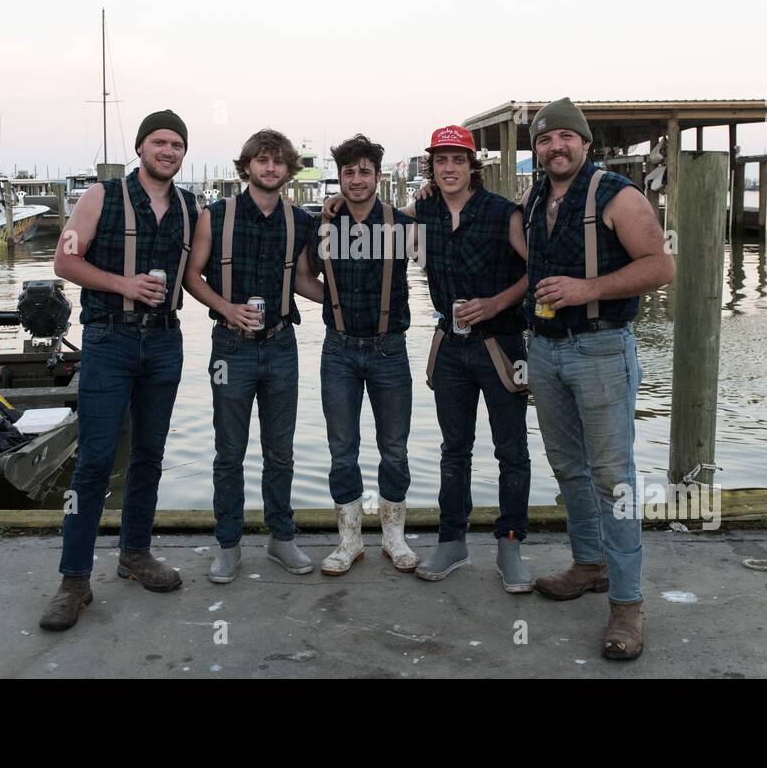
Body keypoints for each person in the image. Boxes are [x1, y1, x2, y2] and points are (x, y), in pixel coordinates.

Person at [523, 97, 675, 660]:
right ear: (536, 150)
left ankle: (628, 606)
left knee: (615, 479)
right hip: (545, 350)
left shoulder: (618, 195)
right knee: (568, 468)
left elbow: (661, 266)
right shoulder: (537, 196)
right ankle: (588, 565)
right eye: (544, 139)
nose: (555, 146)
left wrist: (587, 289)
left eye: (565, 137)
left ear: (586, 143)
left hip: (601, 349)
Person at [40, 110, 197, 631]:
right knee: (94, 460)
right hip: (108, 339)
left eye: (176, 144)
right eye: (159, 141)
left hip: (165, 341)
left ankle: (135, 554)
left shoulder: (190, 208)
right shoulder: (100, 197)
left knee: (149, 455)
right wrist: (123, 285)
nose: (168, 150)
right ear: (140, 147)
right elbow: (65, 263)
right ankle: (73, 579)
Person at [184, 128, 325, 583]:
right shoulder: (216, 215)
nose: (270, 168)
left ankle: (281, 538)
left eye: (278, 162)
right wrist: (225, 308)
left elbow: (302, 279)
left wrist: (345, 301)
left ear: (288, 170)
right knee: (229, 453)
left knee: (280, 452)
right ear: (247, 166)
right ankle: (228, 545)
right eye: (261, 161)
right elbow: (191, 276)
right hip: (231, 348)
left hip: (282, 345)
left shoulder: (300, 220)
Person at [409, 125, 533, 592]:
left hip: (501, 345)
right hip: (449, 346)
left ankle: (510, 544)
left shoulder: (505, 213)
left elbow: (535, 269)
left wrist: (497, 303)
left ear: (471, 165)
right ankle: (451, 540)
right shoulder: (423, 211)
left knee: (511, 450)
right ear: (432, 166)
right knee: (453, 450)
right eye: (441, 160)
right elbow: (377, 224)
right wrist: (338, 204)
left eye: (458, 159)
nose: (449, 167)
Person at [310, 135, 418, 576]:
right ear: (339, 177)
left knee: (394, 447)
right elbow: (299, 275)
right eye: (348, 172)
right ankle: (350, 539)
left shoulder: (405, 225)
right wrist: (332, 300)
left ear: (379, 175)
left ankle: (393, 537)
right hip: (338, 349)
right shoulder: (320, 225)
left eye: (364, 171)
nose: (356, 179)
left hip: (389, 348)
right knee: (342, 449)